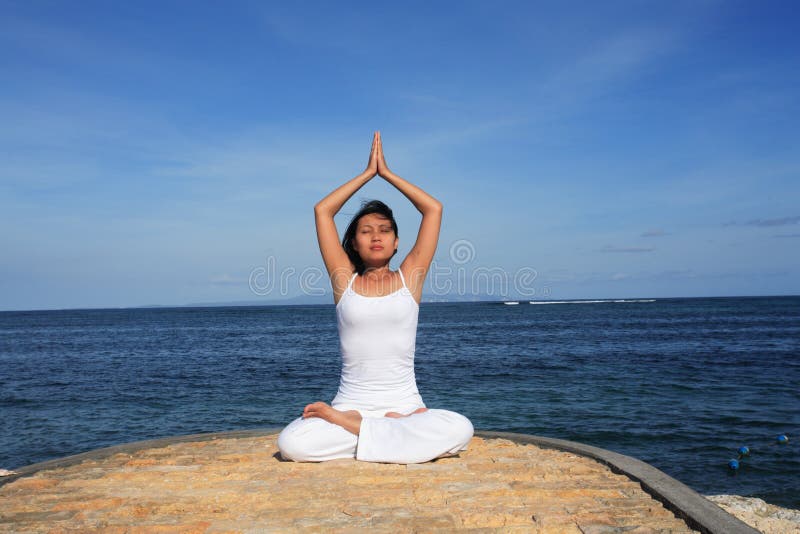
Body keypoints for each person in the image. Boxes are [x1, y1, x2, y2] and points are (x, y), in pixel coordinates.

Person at [277, 131, 474, 464]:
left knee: (461, 428)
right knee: (293, 443)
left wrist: (388, 174)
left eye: (385, 230)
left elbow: (433, 209)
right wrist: (368, 174)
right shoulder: (344, 281)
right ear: (354, 244)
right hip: (349, 406)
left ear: (397, 242)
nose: (376, 237)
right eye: (366, 232)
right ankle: (385, 433)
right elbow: (323, 210)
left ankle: (362, 430)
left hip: (406, 407)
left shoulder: (410, 278)